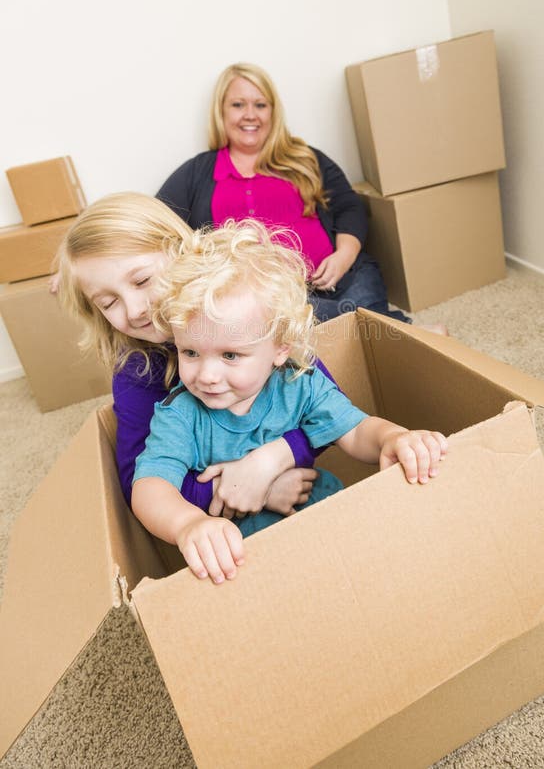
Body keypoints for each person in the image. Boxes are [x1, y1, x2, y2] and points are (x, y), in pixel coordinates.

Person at [133, 219, 448, 584]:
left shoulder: (301, 383)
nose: (206, 375)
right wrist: (188, 523)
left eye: (231, 356)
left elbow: (357, 430)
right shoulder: (180, 414)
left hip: (329, 518)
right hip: (249, 562)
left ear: (280, 349)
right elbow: (150, 487)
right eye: (190, 352)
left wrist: (393, 438)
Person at [56, 192, 340, 523]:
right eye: (109, 303)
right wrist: (247, 487)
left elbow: (333, 406)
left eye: (143, 280)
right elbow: (138, 482)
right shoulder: (136, 371)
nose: (134, 310)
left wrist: (272, 461)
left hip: (299, 479)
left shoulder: (236, 302)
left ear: (180, 250)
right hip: (223, 521)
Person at [157, 62, 441, 327]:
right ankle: (405, 333)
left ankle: (394, 333)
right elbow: (155, 224)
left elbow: (348, 206)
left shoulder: (305, 158)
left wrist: (344, 255)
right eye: (238, 105)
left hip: (345, 279)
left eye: (260, 105)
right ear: (221, 112)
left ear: (273, 112)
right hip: (270, 303)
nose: (250, 114)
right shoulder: (197, 173)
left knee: (364, 319)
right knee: (346, 326)